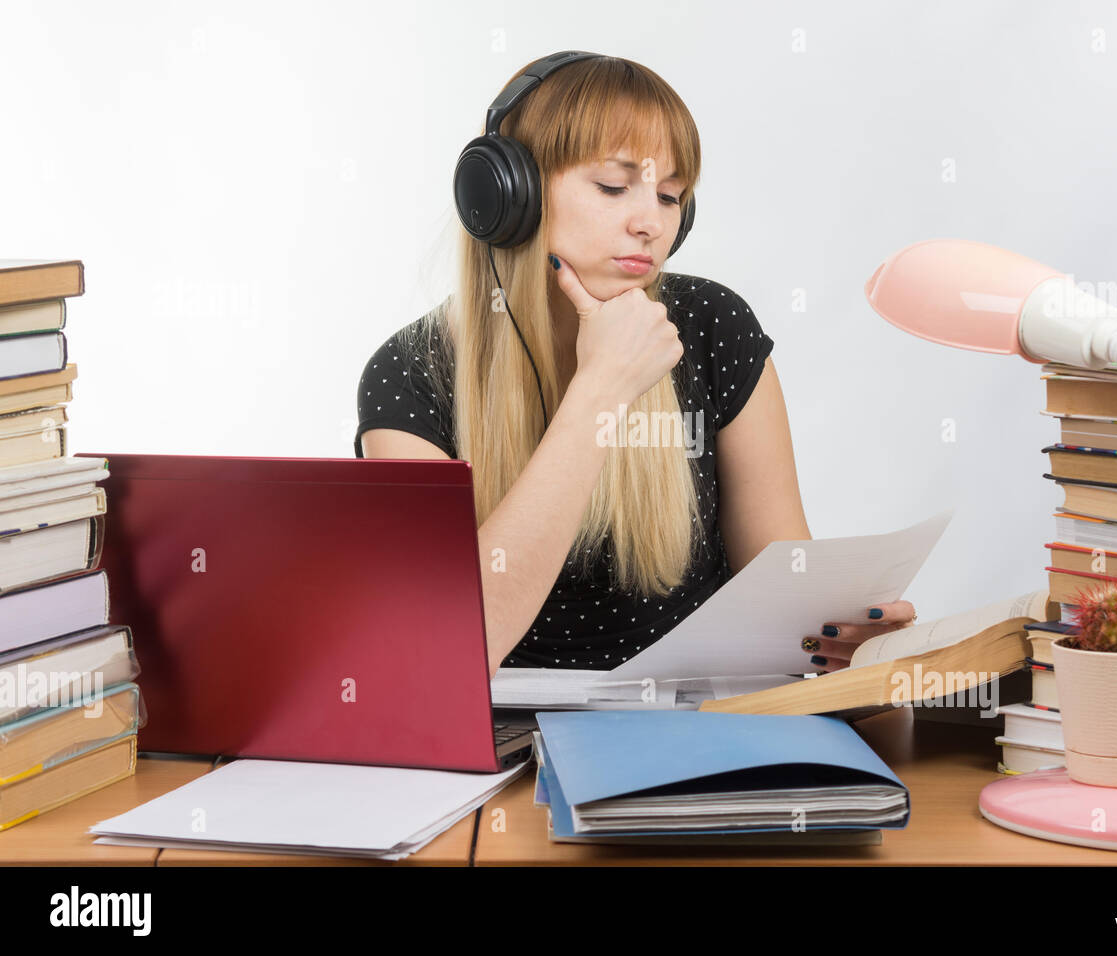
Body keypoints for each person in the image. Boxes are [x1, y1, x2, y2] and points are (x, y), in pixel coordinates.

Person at [355, 54, 916, 675]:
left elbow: (786, 602)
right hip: (496, 749)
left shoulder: (710, 326)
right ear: (509, 194)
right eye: (614, 187)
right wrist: (601, 390)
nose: (652, 222)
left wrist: (838, 640)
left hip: (696, 728)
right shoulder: (409, 375)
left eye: (671, 195)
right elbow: (446, 653)